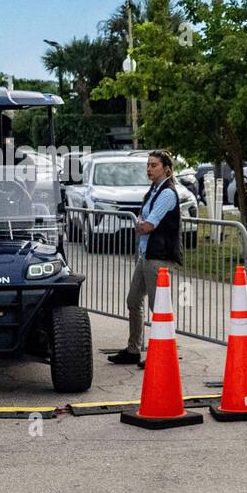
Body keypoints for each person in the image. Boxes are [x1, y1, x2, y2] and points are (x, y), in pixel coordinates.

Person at [108, 150, 183, 368]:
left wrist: (141, 226)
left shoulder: (168, 193)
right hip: (146, 254)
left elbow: (149, 225)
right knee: (133, 300)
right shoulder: (154, 191)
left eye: (154, 165)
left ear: (166, 169)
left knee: (158, 307)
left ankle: (164, 353)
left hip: (158, 257)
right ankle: (133, 350)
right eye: (148, 165)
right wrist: (142, 226)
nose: (149, 169)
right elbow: (145, 222)